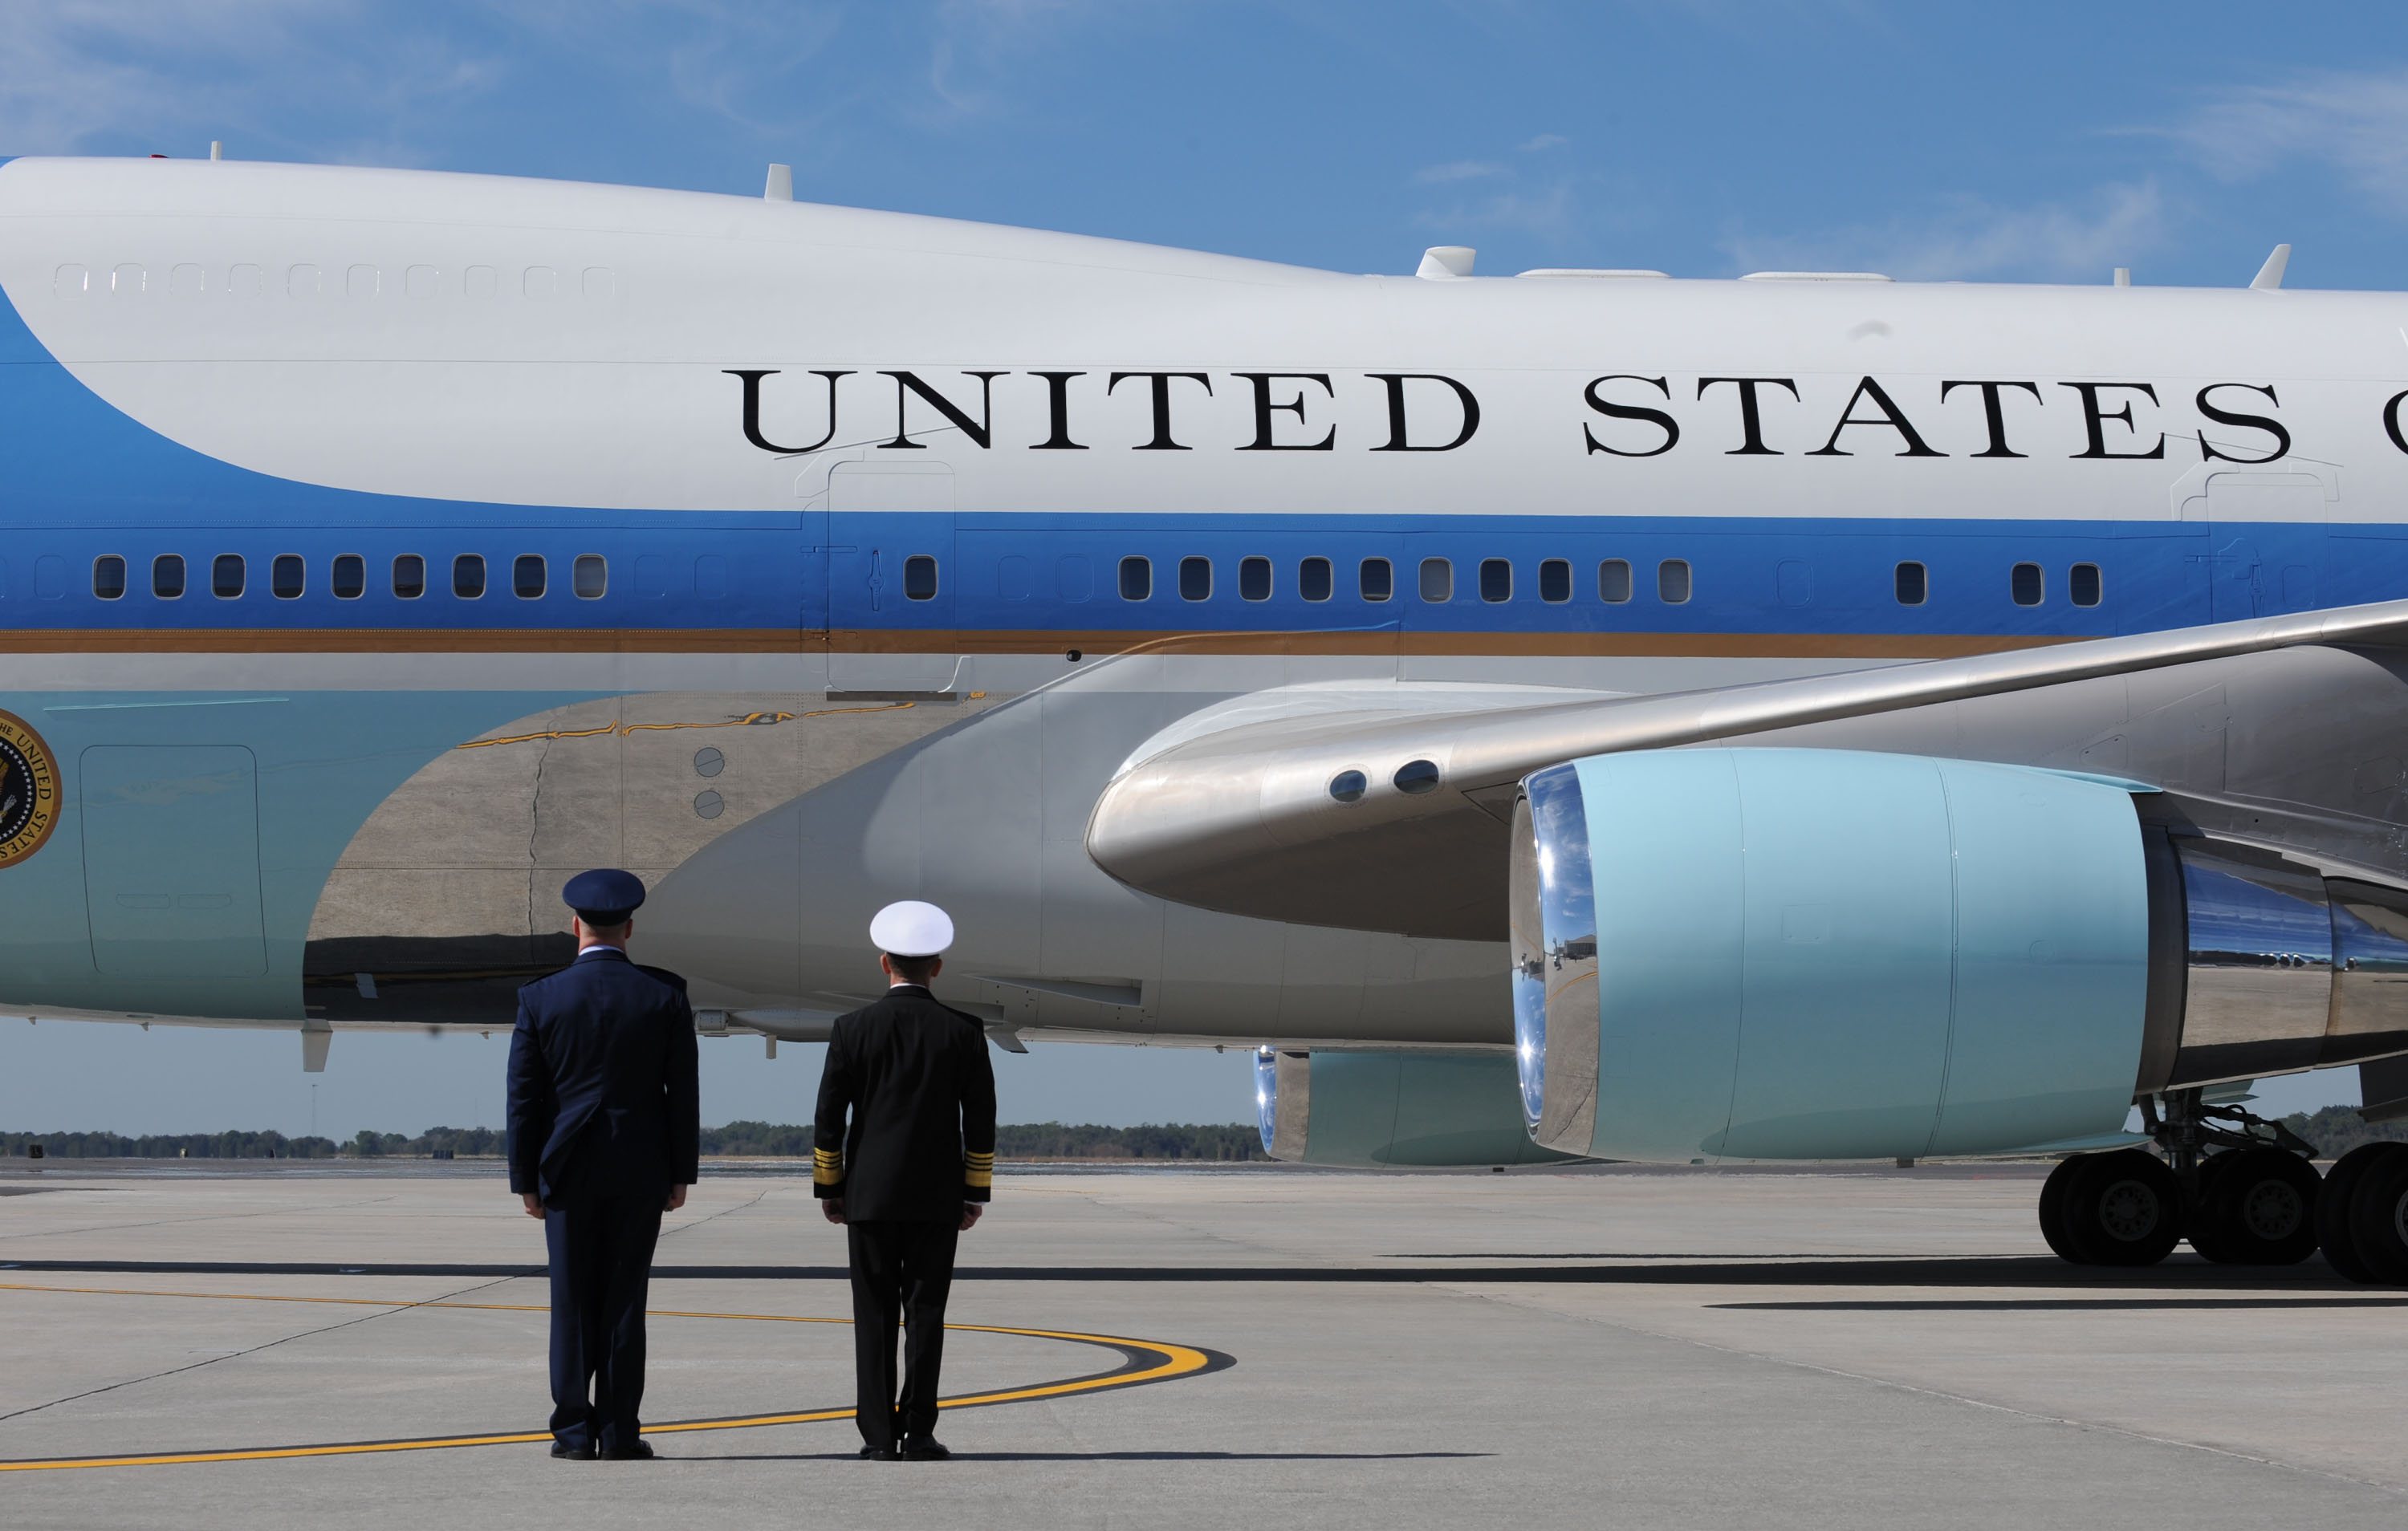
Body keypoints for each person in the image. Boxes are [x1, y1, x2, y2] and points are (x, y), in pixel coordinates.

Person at [506, 868, 699, 1462]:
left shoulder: (540, 998)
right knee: (624, 1302)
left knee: (570, 1303)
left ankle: (570, 1433)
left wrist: (525, 1179)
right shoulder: (665, 995)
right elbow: (682, 1093)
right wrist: (680, 1173)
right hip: (640, 1167)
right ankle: (618, 1431)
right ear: (630, 928)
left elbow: (524, 1097)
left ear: (575, 926)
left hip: (565, 1170)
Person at [814, 900, 998, 1462]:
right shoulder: (964, 1031)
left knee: (873, 1318)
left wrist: (832, 1186)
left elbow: (829, 1116)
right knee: (926, 1317)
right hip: (937, 1197)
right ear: (936, 967)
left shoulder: (852, 1029)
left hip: (868, 1197)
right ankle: (918, 1431)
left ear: (883, 962)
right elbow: (981, 1118)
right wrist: (974, 1191)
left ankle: (876, 1435)